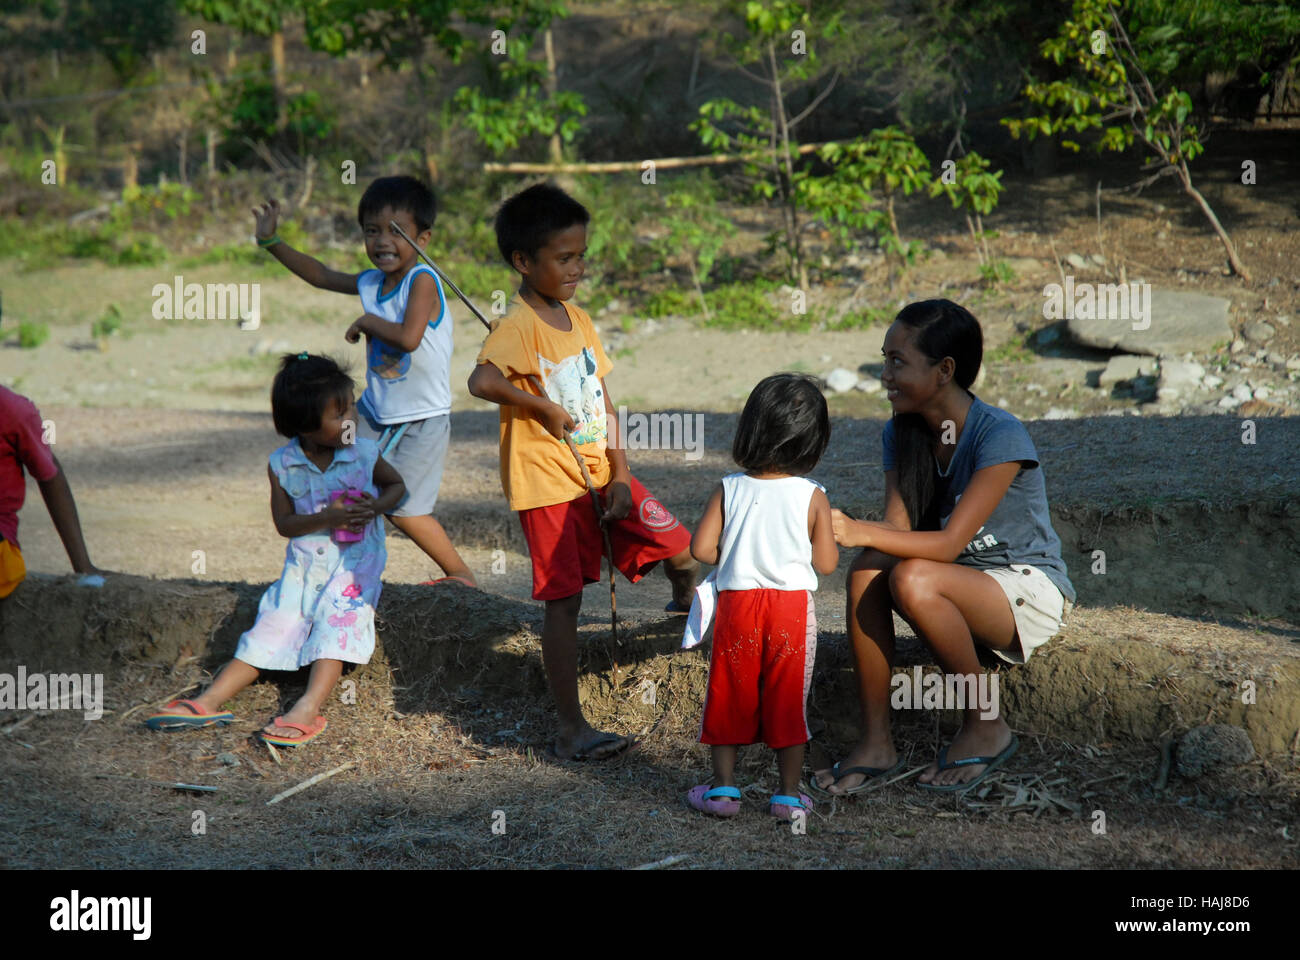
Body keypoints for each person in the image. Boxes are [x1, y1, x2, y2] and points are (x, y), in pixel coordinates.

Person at [468, 182, 700, 761]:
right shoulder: (517, 325)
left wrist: (621, 471)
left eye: (581, 256)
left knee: (680, 547)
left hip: (600, 470)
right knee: (565, 602)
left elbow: (603, 400)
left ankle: (681, 603)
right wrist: (542, 406)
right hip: (549, 482)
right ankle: (571, 726)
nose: (576, 268)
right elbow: (481, 382)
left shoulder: (579, 319)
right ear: (523, 261)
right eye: (563, 258)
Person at [813, 299, 1076, 795]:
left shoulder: (999, 434)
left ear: (944, 371)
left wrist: (858, 529)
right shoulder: (901, 431)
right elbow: (897, 529)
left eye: (898, 362)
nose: (885, 375)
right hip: (955, 581)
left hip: (1023, 587)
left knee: (911, 576)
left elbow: (953, 541)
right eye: (884, 359)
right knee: (869, 568)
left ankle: (986, 722)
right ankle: (876, 740)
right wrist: (856, 534)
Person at [146, 354, 405, 745]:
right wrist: (328, 518)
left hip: (354, 567)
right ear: (304, 425)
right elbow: (285, 525)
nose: (352, 415)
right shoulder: (282, 465)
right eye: (340, 412)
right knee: (274, 621)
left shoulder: (364, 453)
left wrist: (377, 507)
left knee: (337, 620)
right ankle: (210, 700)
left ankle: (308, 707)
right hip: (303, 570)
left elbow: (396, 486)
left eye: (350, 404)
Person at [250, 175, 475, 587]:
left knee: (403, 507)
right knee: (338, 471)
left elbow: (408, 338)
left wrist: (368, 321)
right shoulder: (371, 282)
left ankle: (460, 574)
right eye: (371, 231)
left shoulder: (422, 281)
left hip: (422, 417)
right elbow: (319, 274)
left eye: (396, 231)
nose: (382, 241)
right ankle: (341, 564)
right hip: (374, 409)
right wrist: (271, 243)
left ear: (423, 238)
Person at [684, 374, 838, 821]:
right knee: (788, 696)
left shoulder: (729, 488)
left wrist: (733, 553)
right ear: (813, 441)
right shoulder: (813, 496)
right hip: (790, 609)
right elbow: (826, 564)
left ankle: (723, 792)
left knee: (728, 692)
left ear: (750, 429)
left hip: (737, 607)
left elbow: (700, 549)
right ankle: (788, 796)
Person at [0, 385, 103, 597]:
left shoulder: (12, 410)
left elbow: (50, 475)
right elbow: (51, 473)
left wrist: (83, 566)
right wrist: (84, 567)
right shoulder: (12, 407)